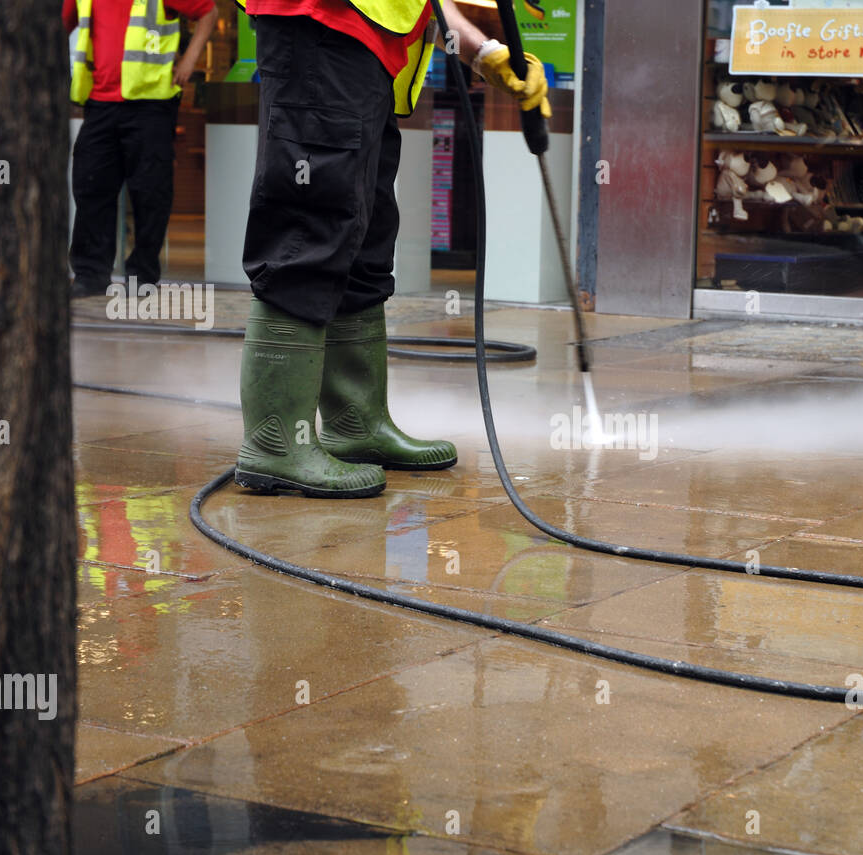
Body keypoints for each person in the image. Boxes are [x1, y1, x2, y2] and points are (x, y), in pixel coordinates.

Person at [233, 0, 549, 497]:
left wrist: (483, 51)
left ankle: (355, 424)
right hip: (321, 27)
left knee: (364, 234)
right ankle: (275, 443)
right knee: (309, 223)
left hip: (369, 54)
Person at [64, 0, 216, 298]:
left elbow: (209, 12)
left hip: (151, 105)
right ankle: (90, 274)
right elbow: (61, 25)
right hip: (99, 103)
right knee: (90, 187)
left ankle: (142, 275)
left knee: (151, 192)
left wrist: (190, 58)